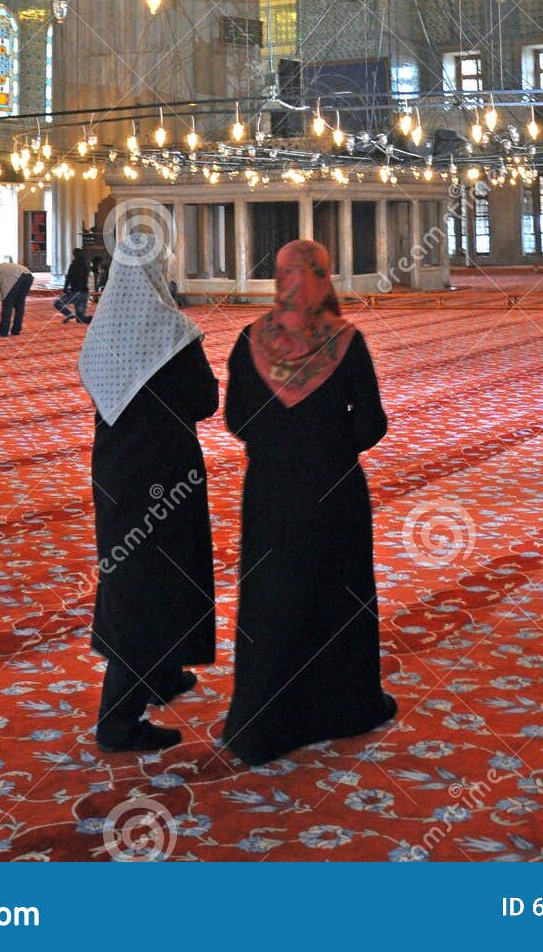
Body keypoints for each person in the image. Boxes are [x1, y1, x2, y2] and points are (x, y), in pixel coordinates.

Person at [222, 238, 395, 766]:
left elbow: (235, 420)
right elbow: (370, 424)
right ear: (324, 277)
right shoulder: (345, 341)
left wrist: (277, 445)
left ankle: (263, 720)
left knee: (273, 597)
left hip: (270, 493)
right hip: (333, 491)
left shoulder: (249, 340)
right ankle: (341, 706)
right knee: (334, 595)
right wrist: (328, 442)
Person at [80, 229, 218, 753]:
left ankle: (161, 673)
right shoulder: (171, 330)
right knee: (153, 580)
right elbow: (204, 399)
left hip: (115, 471)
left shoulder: (104, 330)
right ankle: (117, 720)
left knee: (137, 570)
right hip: (165, 474)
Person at [0, 259, 34, 337]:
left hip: (15, 279)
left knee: (7, 307)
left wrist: (2, 299)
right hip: (28, 276)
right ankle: (16, 331)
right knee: (19, 305)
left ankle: (3, 332)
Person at [55, 247, 91, 325]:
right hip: (84, 294)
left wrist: (65, 288)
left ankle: (69, 314)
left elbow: (69, 277)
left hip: (75, 293)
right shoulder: (85, 266)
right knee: (80, 319)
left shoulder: (74, 265)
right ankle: (96, 319)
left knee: (58, 303)